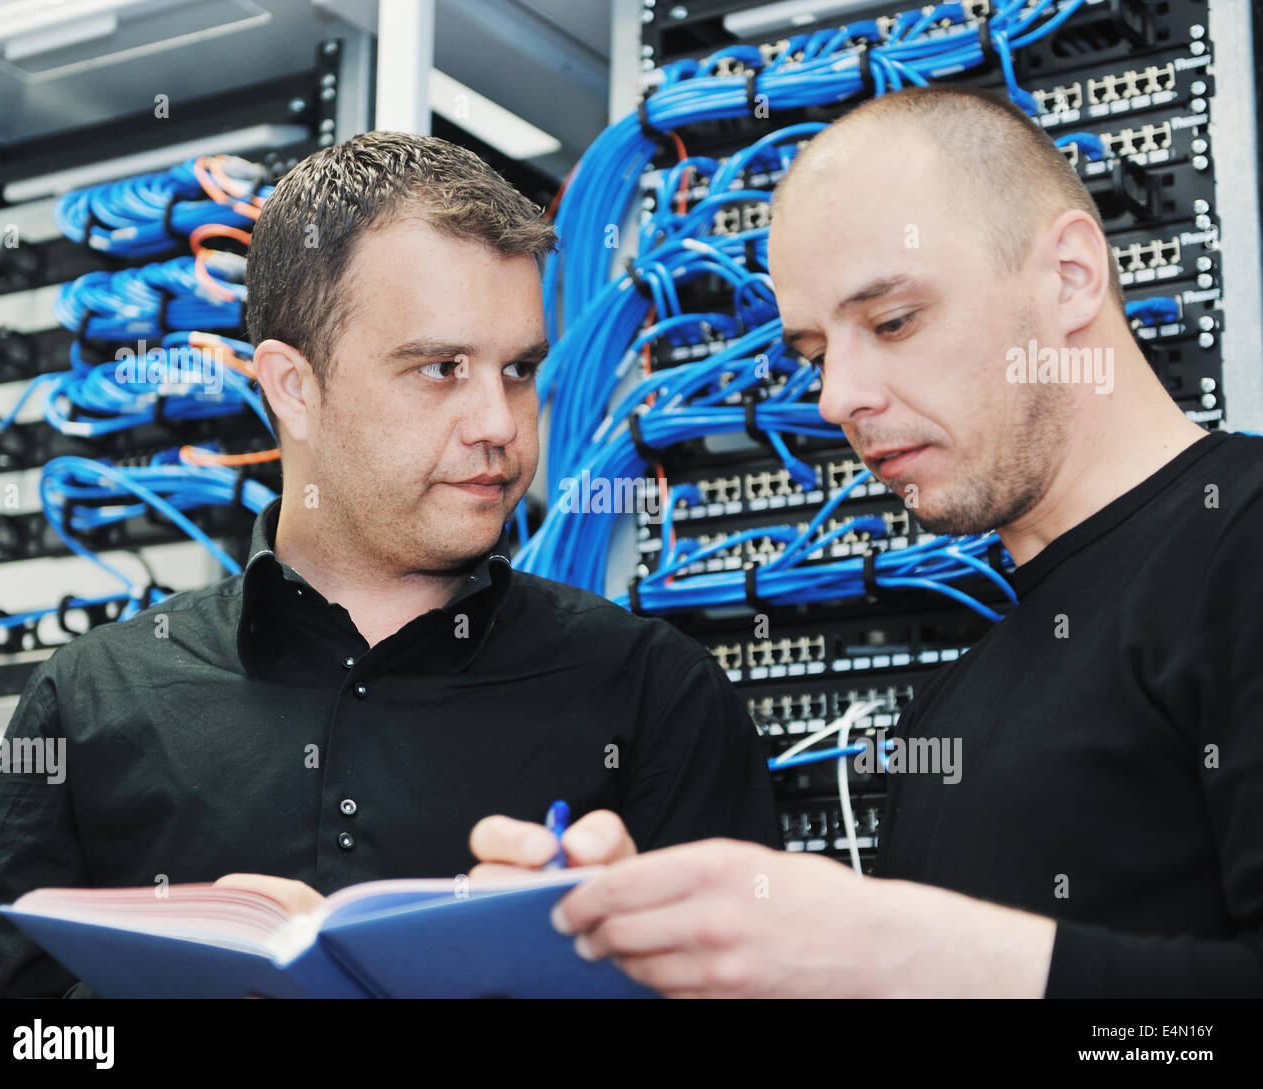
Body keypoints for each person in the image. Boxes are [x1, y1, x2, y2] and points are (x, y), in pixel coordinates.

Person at [470, 86, 1263, 998]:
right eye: (814, 354)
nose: (837, 397)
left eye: (892, 322)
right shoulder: (957, 704)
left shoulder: (1239, 544)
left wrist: (903, 952)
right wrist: (619, 939)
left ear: (1072, 276)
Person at [0, 132, 782, 998]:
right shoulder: (94, 700)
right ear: (293, 388)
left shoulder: (655, 695)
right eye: (440, 368)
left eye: (518, 369)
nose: (499, 423)